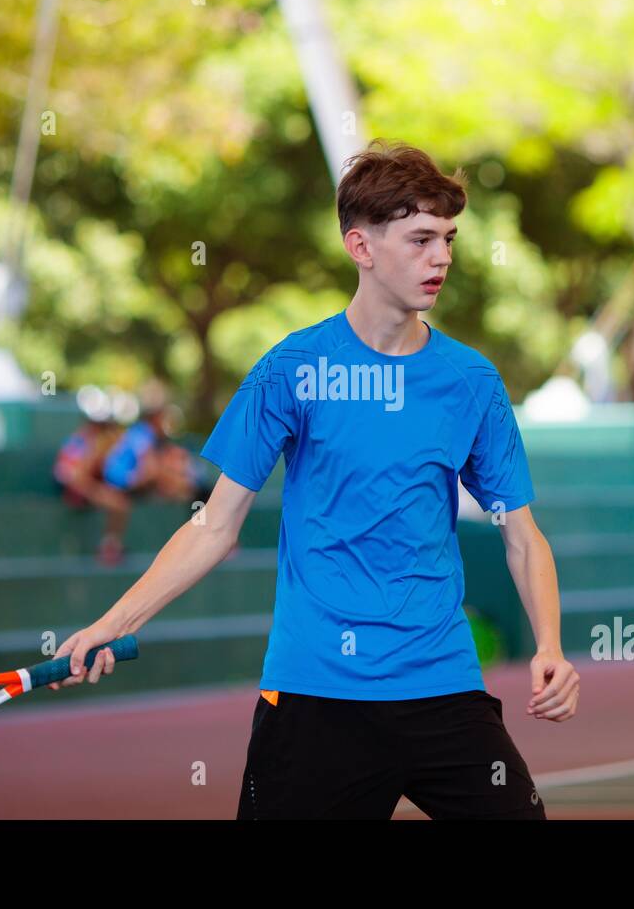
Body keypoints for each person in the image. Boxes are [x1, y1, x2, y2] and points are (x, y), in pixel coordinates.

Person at [51, 140, 579, 819]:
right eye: (420, 240)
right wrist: (111, 623)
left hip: (441, 688)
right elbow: (213, 524)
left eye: (447, 238)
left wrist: (550, 646)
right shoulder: (293, 369)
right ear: (360, 247)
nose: (442, 257)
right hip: (314, 696)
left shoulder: (471, 381)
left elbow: (522, 534)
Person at [54, 416, 131, 565]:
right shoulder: (79, 442)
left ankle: (110, 545)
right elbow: (76, 476)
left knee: (120, 503)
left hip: (86, 485)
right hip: (72, 488)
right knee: (117, 503)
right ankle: (108, 548)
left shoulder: (98, 443)